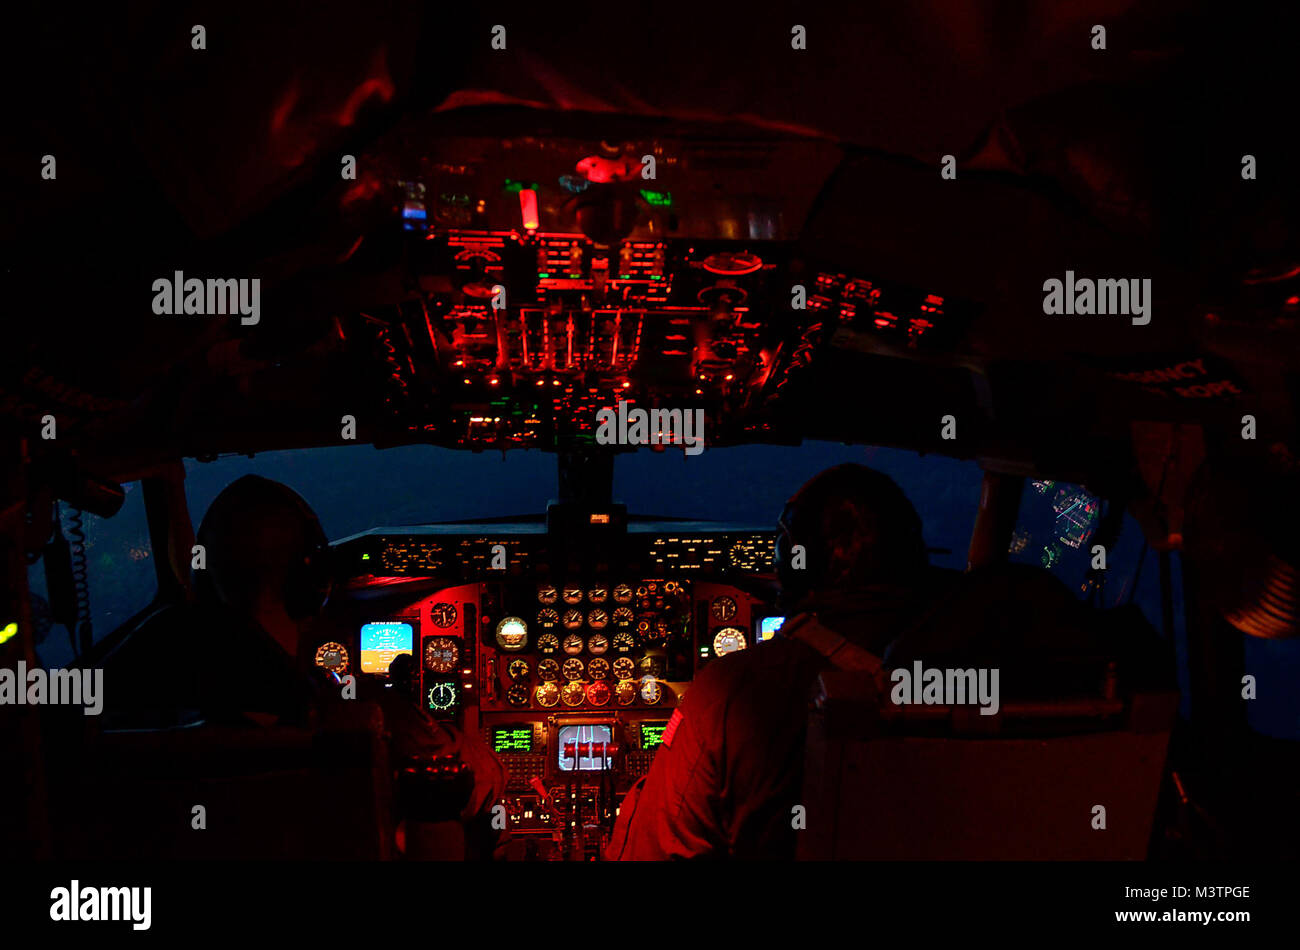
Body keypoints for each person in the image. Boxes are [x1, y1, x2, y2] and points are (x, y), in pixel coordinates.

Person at [607, 464, 949, 860]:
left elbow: (655, 847)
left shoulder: (732, 692)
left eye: (784, 538)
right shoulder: (973, 667)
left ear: (809, 558)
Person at [192, 474, 504, 854]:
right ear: (312, 587)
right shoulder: (358, 717)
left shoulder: (162, 705)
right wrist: (403, 714)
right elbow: (479, 779)